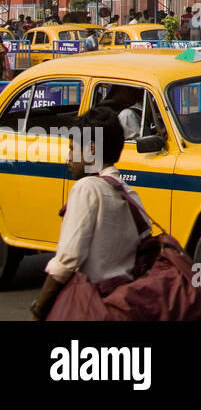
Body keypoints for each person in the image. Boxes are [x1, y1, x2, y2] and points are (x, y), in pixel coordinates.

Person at [30, 108, 142, 320]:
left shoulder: (87, 188)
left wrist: (38, 309)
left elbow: (67, 261)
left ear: (91, 149)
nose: (68, 158)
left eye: (73, 149)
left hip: (91, 305)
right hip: (123, 303)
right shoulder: (129, 192)